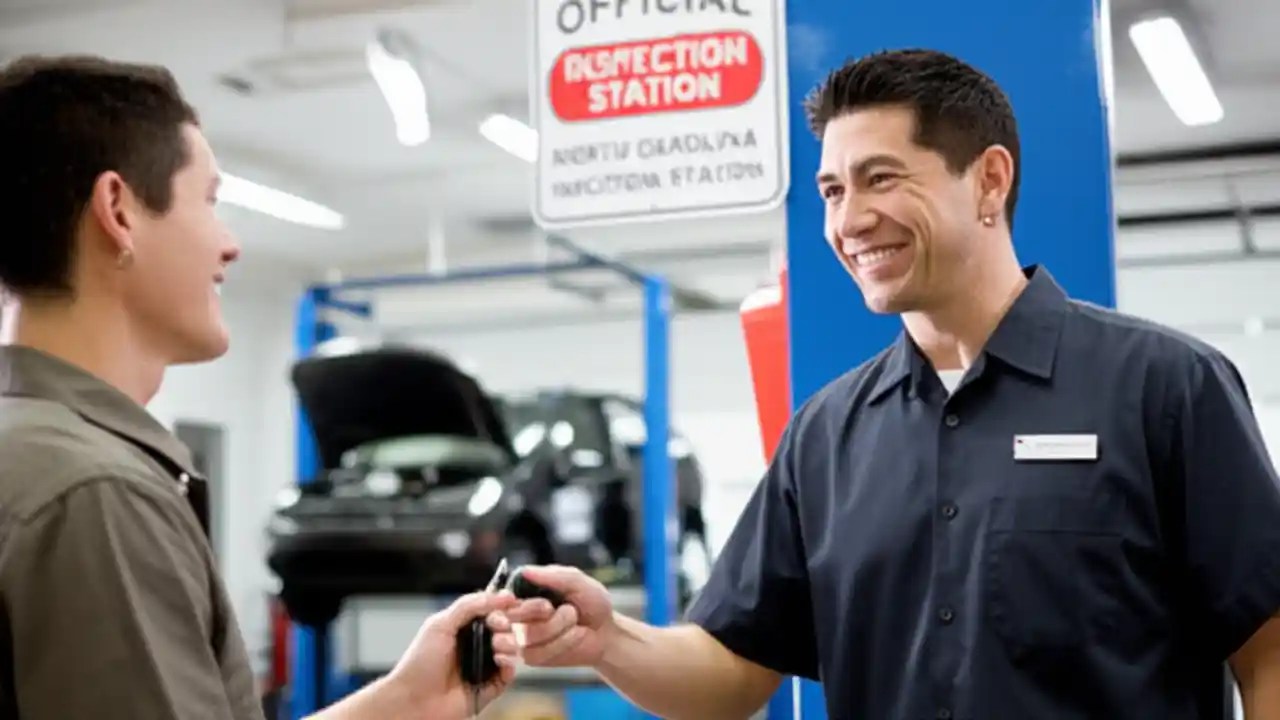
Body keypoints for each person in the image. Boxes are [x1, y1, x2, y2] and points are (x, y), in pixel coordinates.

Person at [493, 48, 1280, 719]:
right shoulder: (829, 433)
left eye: (881, 178)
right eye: (834, 190)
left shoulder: (1164, 388)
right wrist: (608, 639)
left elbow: (1267, 646)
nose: (850, 220)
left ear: (990, 180)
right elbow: (732, 669)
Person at [0, 54, 519, 719]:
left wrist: (404, 700)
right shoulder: (96, 495)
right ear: (119, 211)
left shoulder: (37, 456)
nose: (229, 244)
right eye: (210, 201)